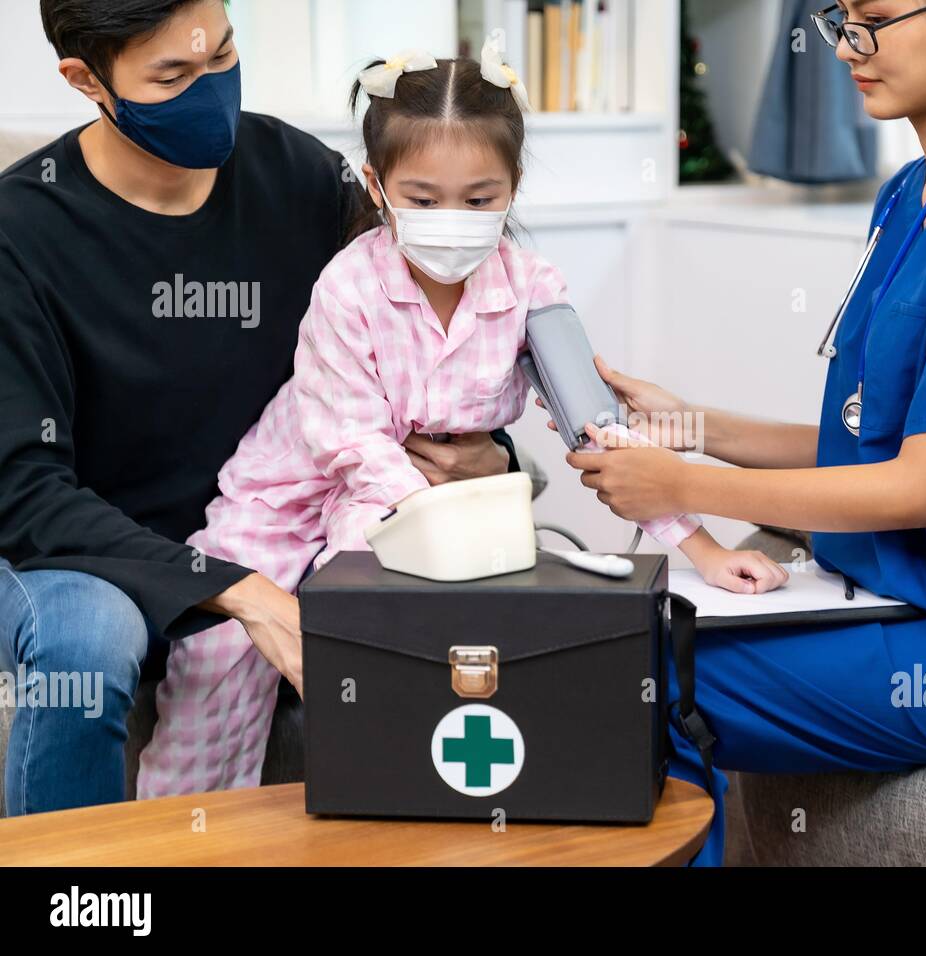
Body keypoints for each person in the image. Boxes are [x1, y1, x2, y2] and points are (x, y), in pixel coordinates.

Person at [563, 0, 926, 865]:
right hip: (907, 589)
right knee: (618, 637)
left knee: (637, 673)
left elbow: (918, 489)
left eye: (873, 18)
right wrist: (687, 426)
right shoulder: (909, 194)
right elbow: (868, 443)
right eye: (840, 17)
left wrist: (680, 486)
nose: (846, 46)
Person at [135, 40, 787, 798]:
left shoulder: (533, 292)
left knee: (411, 638)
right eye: (422, 198)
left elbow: (601, 432)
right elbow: (352, 447)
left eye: (479, 201)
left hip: (422, 504)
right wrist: (424, 524)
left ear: (513, 187)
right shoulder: (347, 288)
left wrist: (702, 548)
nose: (453, 221)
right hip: (292, 496)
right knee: (217, 654)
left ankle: (409, 807)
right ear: (377, 186)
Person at [0, 0, 515, 815]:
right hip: (85, 550)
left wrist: (487, 456)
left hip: (286, 517)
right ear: (85, 79)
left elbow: (410, 348)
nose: (213, 92)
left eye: (223, 54)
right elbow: (26, 493)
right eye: (172, 75)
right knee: (89, 642)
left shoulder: (301, 176)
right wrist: (239, 590)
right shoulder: (20, 232)